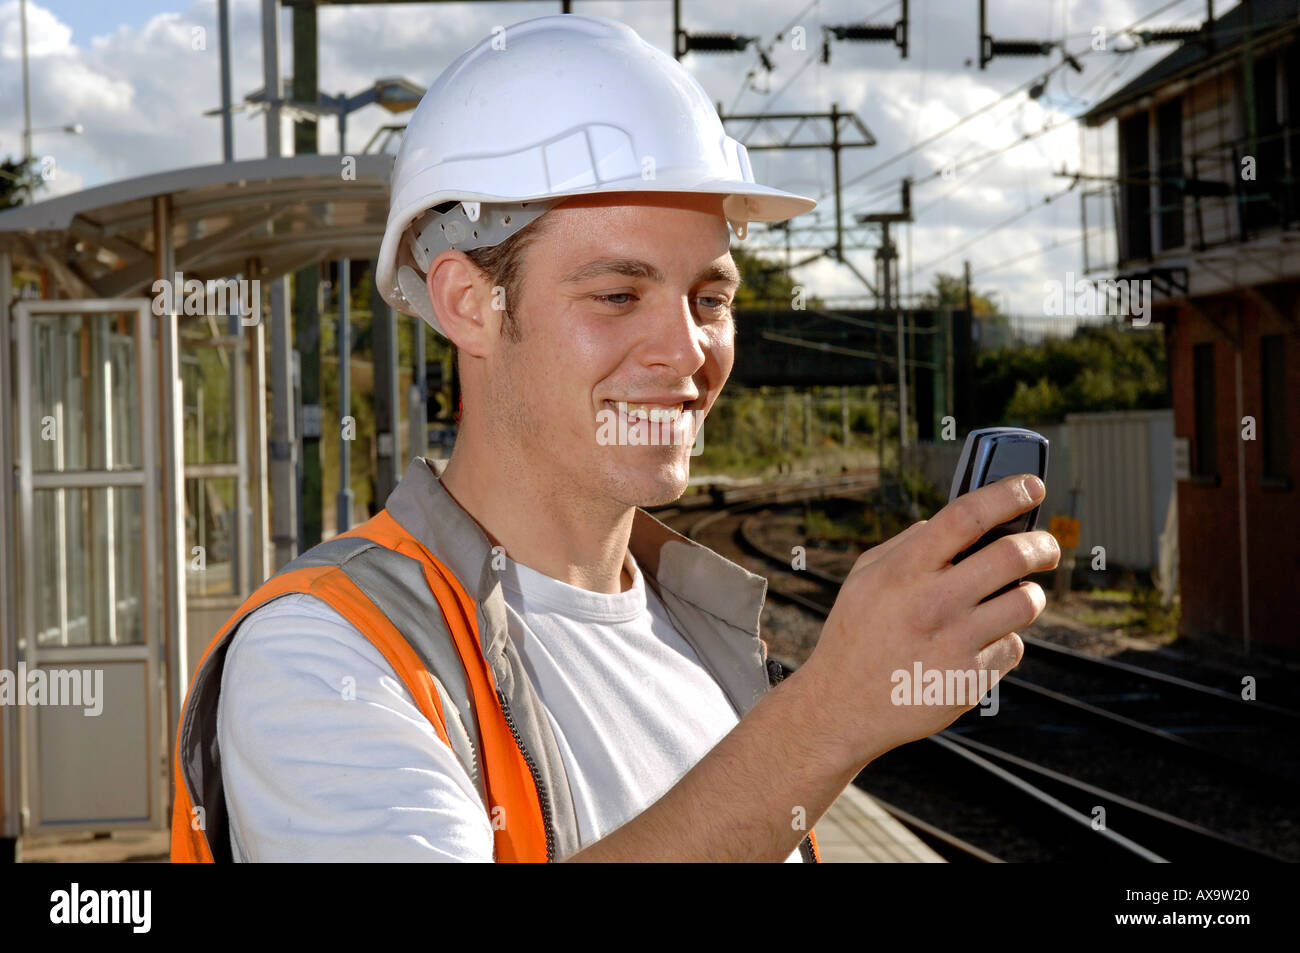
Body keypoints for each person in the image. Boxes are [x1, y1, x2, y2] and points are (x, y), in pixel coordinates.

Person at [171, 13, 1059, 863]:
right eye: (617, 295)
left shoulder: (701, 641)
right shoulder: (325, 659)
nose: (686, 350)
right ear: (468, 303)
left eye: (711, 300)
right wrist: (830, 715)